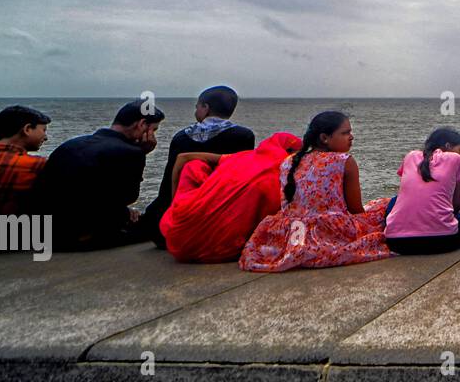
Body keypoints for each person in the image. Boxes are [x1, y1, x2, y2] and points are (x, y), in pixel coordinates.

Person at [239, 111, 389, 272]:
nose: (351, 137)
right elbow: (356, 209)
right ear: (324, 138)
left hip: (292, 232)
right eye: (345, 133)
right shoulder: (344, 161)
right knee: (383, 206)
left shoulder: (288, 161)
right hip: (326, 232)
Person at [33, 101, 165, 250]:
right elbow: (129, 197)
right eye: (154, 130)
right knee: (156, 226)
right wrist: (141, 153)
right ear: (142, 124)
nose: (153, 136)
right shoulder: (130, 152)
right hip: (80, 237)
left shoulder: (71, 144)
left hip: (48, 232)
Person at [159, 132, 301, 263]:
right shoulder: (283, 175)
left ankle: (181, 212)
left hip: (176, 237)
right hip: (220, 249)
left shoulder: (243, 157)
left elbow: (182, 158)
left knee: (194, 166)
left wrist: (173, 205)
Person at [143, 85, 256, 247]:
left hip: (179, 220)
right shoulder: (243, 136)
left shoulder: (181, 137)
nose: (195, 111)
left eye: (197, 107)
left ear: (205, 108)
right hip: (219, 222)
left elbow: (168, 184)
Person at [383, 127, 460, 255]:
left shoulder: (410, 156)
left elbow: (408, 195)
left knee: (395, 200)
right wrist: (442, 219)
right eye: (459, 150)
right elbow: (457, 203)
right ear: (448, 146)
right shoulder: (455, 159)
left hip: (396, 243)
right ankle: (440, 227)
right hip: (442, 242)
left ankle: (396, 228)